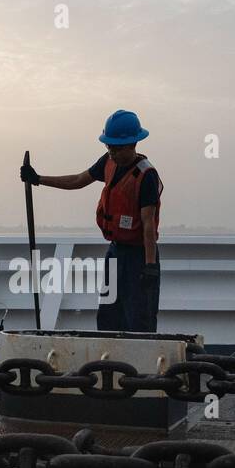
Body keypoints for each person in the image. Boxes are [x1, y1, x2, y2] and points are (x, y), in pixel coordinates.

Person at [20, 109, 163, 332]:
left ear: (132, 144)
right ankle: (109, 362)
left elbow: (148, 226)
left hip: (139, 257)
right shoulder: (108, 162)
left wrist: (150, 266)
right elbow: (78, 180)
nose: (112, 152)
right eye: (109, 147)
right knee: (108, 313)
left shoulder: (146, 176)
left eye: (116, 148)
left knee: (139, 317)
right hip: (116, 252)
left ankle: (141, 363)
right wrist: (38, 179)